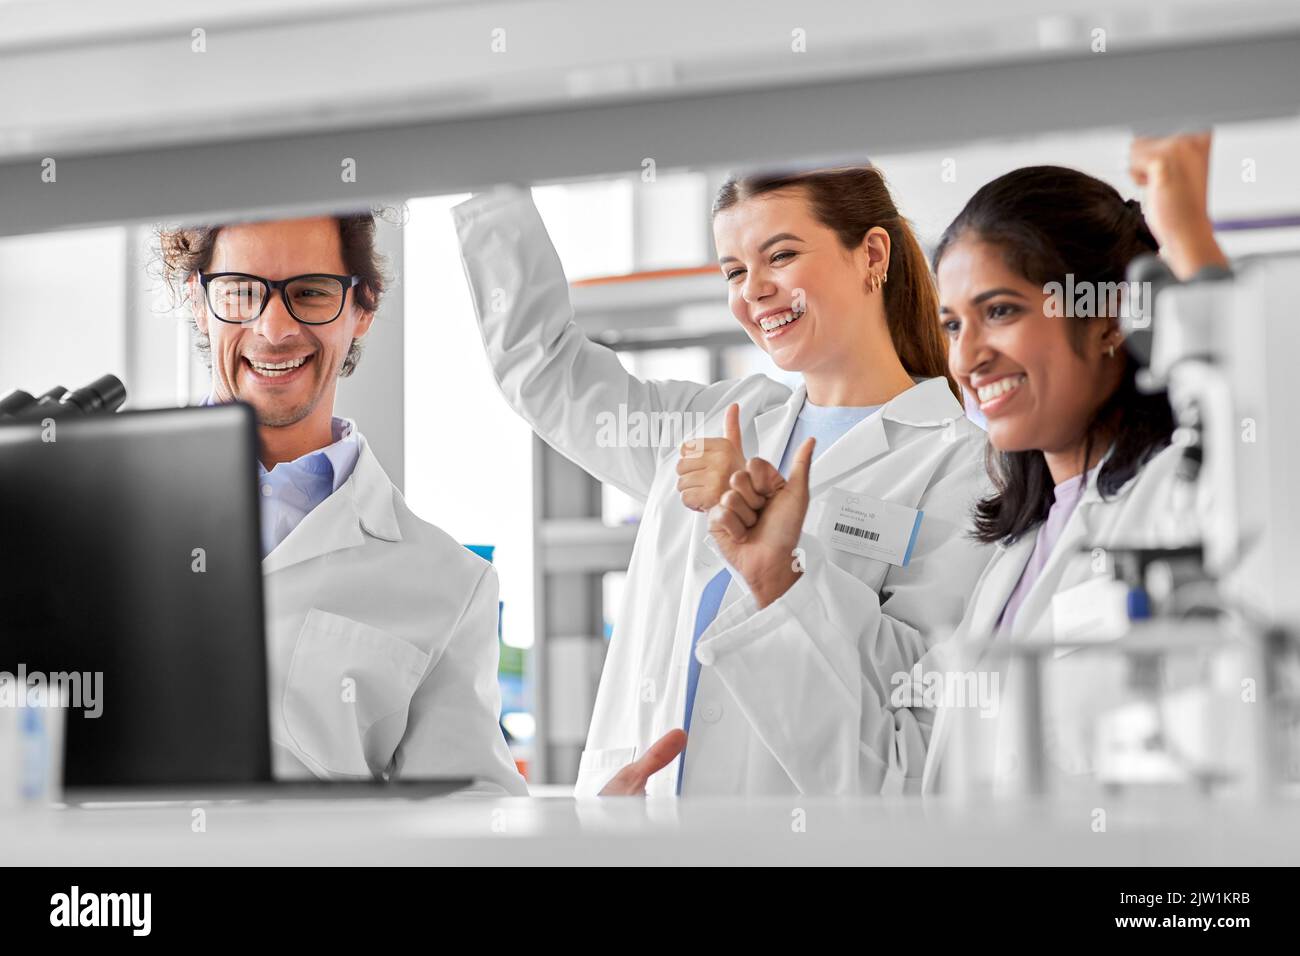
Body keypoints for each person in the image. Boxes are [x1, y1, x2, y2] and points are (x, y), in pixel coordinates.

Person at [707, 133, 1229, 794]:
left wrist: (1194, 252)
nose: (969, 357)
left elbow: (1263, 447)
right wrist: (775, 580)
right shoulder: (1012, 556)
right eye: (954, 325)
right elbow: (899, 786)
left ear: (1109, 319)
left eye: (1001, 311)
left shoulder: (1183, 498)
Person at [454, 166, 992, 796]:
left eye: (781, 255)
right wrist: (490, 173)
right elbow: (545, 373)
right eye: (734, 271)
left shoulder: (962, 468)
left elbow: (913, 703)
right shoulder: (711, 424)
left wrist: (787, 565)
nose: (754, 291)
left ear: (871, 255)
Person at [158, 213, 527, 794]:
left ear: (363, 308)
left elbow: (467, 819)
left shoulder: (450, 583)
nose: (273, 327)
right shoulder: (78, 508)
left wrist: (587, 836)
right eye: (240, 292)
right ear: (199, 302)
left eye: (309, 293)